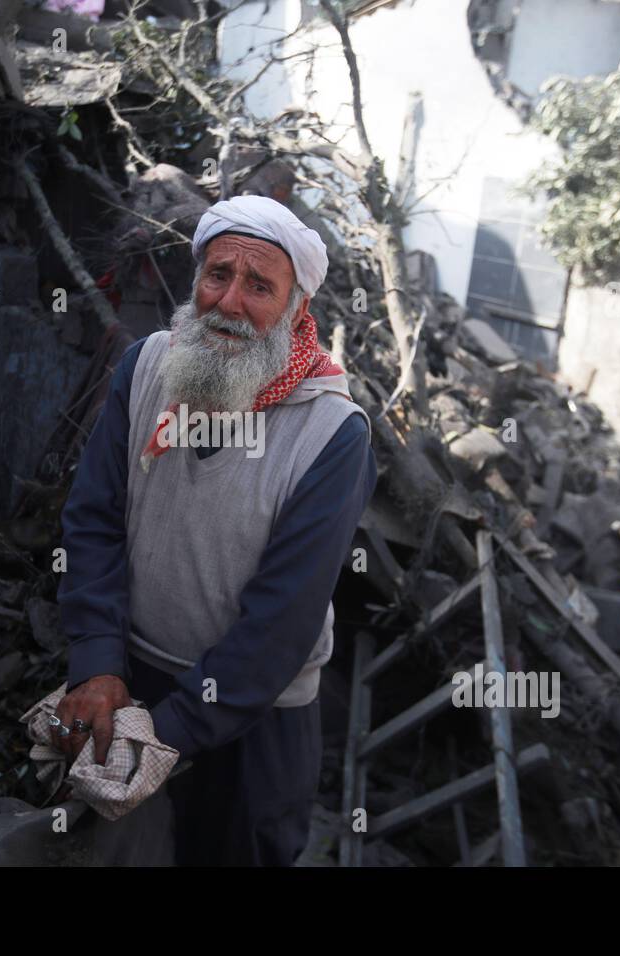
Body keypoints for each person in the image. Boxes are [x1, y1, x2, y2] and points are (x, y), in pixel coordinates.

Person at [53, 194, 377, 865]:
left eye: (260, 286)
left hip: (256, 720)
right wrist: (97, 662)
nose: (230, 302)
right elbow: (94, 519)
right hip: (133, 679)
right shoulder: (147, 368)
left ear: (296, 311)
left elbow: (279, 624)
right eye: (217, 275)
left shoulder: (331, 434)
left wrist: (166, 734)